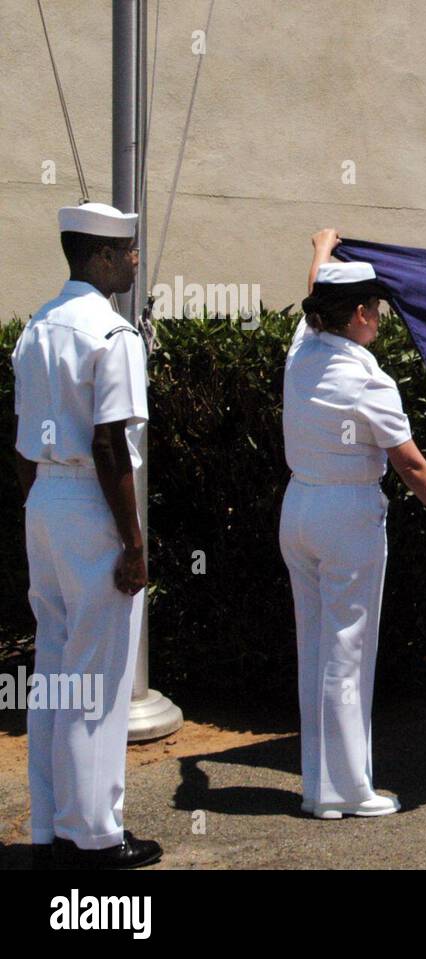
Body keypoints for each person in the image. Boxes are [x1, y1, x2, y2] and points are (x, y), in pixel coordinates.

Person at [281, 228, 426, 819]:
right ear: (357, 316)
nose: (378, 319)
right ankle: (348, 791)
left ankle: (319, 789)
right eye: (373, 310)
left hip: (299, 508)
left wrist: (320, 249)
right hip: (346, 515)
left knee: (316, 649)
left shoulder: (304, 350)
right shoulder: (367, 378)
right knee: (347, 652)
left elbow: (312, 298)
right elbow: (412, 463)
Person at [12, 202, 161, 869]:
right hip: (91, 506)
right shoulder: (111, 334)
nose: (133, 260)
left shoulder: (36, 327)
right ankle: (95, 834)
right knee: (97, 681)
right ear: (101, 257)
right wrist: (132, 543)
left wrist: (42, 507)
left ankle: (50, 827)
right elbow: (108, 445)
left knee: (54, 677)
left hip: (43, 498)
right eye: (127, 251)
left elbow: (21, 443)